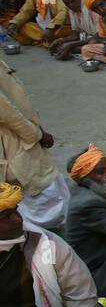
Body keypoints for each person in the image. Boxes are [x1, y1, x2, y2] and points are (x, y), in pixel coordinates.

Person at [0, 183, 106, 307]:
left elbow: (81, 300)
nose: (18, 219)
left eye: (16, 211)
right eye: (6, 217)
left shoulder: (47, 244)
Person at [0, 57, 66, 234]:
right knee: (46, 208)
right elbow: (11, 116)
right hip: (18, 148)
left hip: (23, 138)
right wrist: (38, 135)